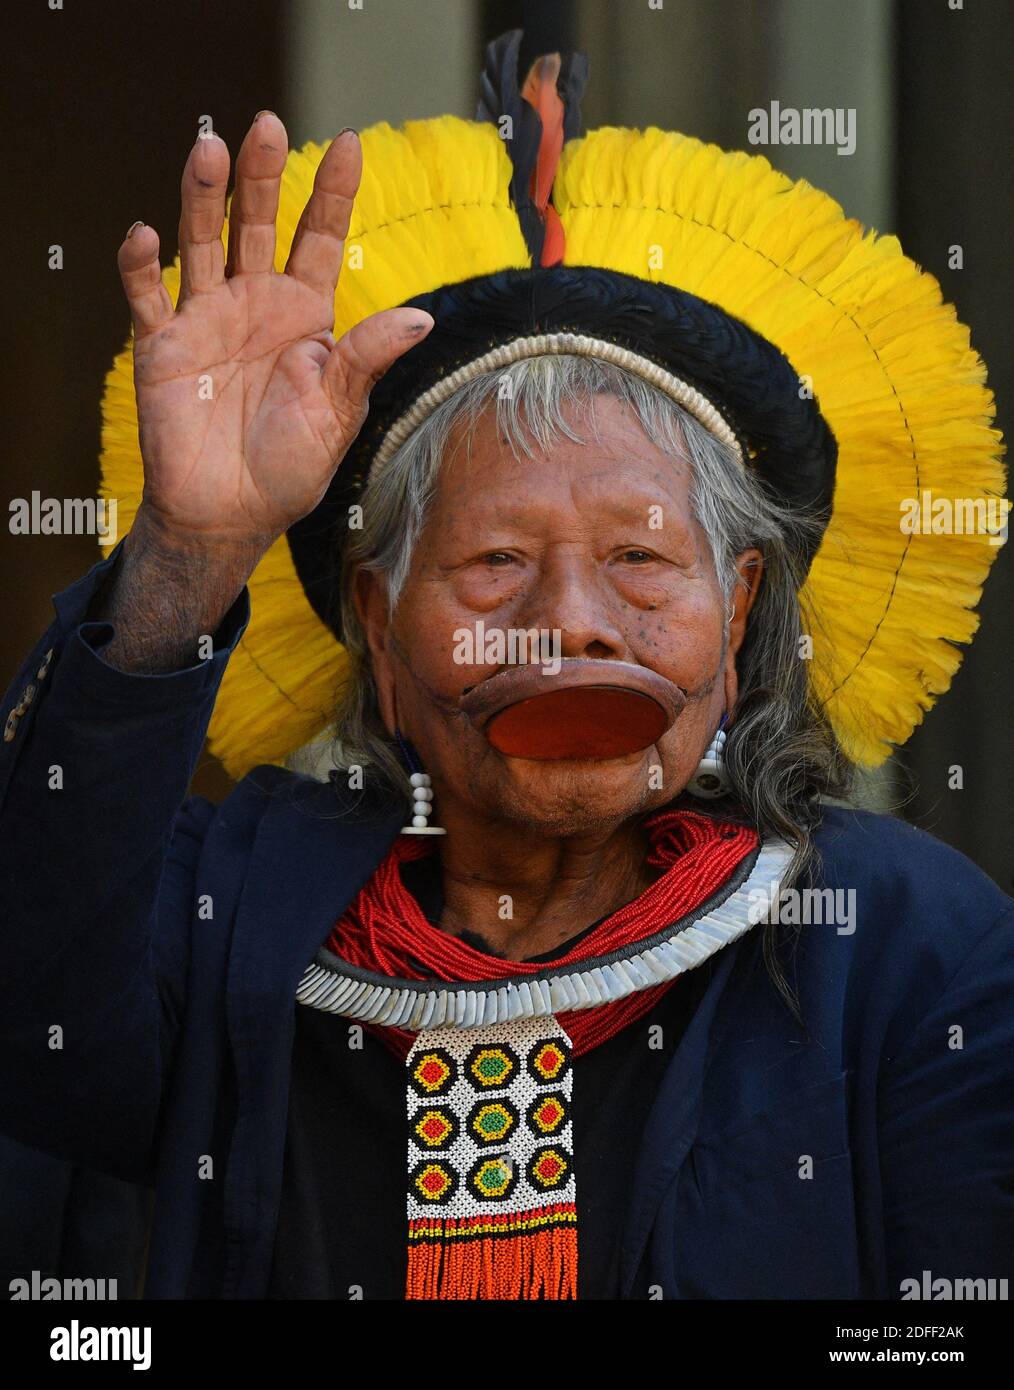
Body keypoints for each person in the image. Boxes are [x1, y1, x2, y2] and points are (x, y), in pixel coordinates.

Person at [2, 32, 1011, 1301]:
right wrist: (189, 550)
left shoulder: (909, 947)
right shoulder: (228, 912)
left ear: (742, 613)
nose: (570, 622)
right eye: (491, 562)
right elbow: (37, 1014)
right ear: (378, 626)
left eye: (642, 560)